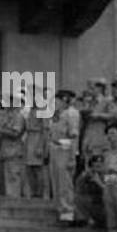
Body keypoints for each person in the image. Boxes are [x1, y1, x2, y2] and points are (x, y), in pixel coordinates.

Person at [49, 89, 81, 223]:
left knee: (65, 182)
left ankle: (67, 210)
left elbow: (73, 136)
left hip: (65, 149)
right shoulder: (57, 114)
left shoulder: (71, 114)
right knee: (56, 179)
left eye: (58, 100)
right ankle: (59, 207)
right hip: (55, 148)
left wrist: (72, 157)